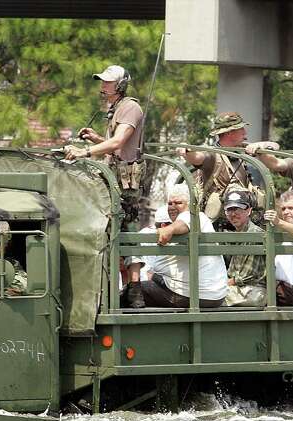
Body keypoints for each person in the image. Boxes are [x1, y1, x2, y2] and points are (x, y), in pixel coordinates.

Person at [64, 65, 145, 225]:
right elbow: (117, 148)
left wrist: (83, 152)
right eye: (102, 82)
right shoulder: (117, 108)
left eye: (108, 82)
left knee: (116, 227)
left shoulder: (130, 107)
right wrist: (97, 139)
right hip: (112, 178)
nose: (103, 86)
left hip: (123, 186)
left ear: (121, 85)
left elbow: (117, 142)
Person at [127, 184, 228, 308]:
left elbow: (183, 223)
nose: (172, 207)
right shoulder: (185, 223)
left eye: (178, 203)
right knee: (139, 291)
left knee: (128, 295)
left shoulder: (195, 216)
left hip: (193, 295)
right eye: (170, 203)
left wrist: (169, 229)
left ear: (190, 205)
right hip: (204, 295)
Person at [175, 112, 264, 225]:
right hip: (218, 225)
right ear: (230, 133)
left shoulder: (241, 150)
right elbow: (198, 157)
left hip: (243, 222)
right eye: (241, 129)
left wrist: (259, 146)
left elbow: (274, 146)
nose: (245, 132)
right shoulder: (213, 156)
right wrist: (186, 151)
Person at [221, 191, 267, 307]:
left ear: (249, 211)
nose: (233, 214)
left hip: (254, 291)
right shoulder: (238, 234)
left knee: (211, 296)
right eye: (229, 210)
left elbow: (250, 275)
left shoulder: (254, 233)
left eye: (238, 209)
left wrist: (225, 283)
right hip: (240, 289)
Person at [121, 207, 173, 307]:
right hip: (156, 284)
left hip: (163, 286)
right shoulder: (149, 235)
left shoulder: (143, 234)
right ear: (164, 225)